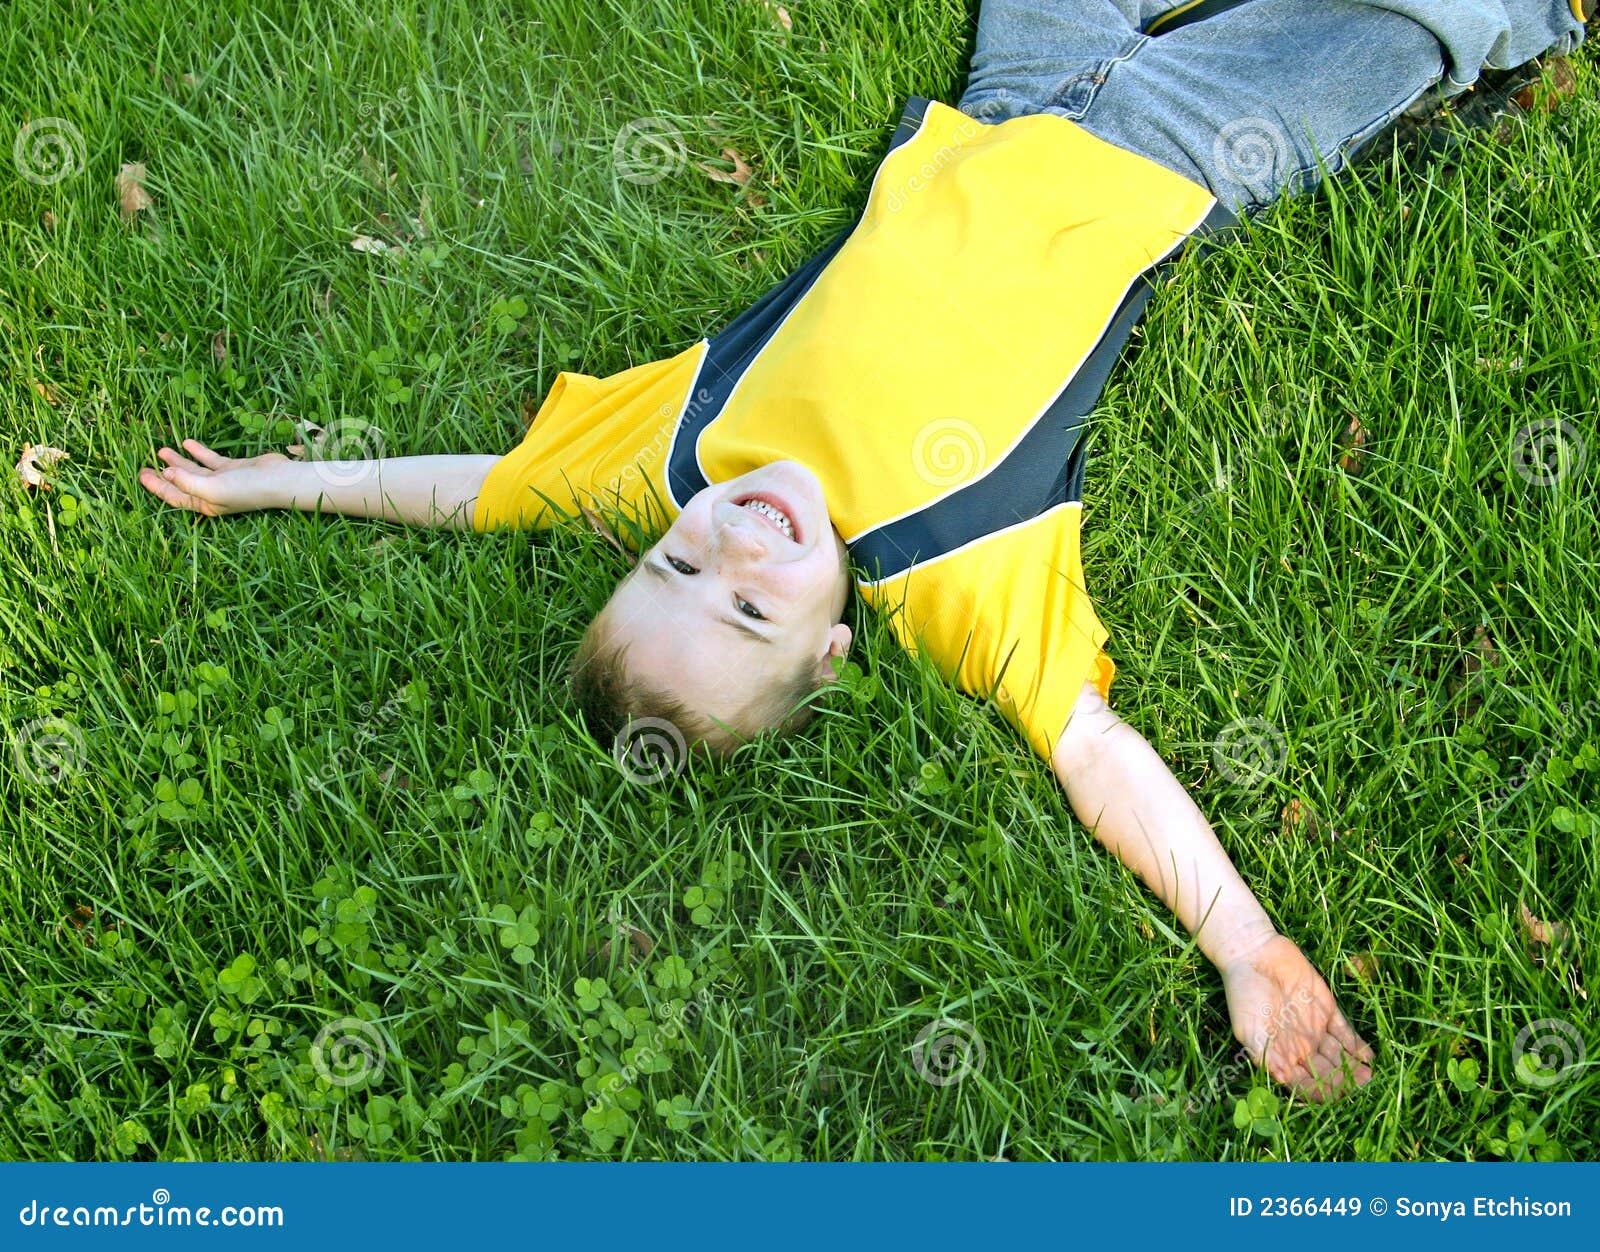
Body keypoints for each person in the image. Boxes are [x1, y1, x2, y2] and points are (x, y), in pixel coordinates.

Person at [138, 0, 1592, 1101]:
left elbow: (482, 488)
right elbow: (1094, 756)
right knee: (1433, 14)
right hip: (1179, 149)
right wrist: (1244, 945)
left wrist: (287, 482)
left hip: (1009, 97)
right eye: (754, 613)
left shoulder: (684, 450)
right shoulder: (954, 563)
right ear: (833, 649)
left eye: (674, 568)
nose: (730, 551)